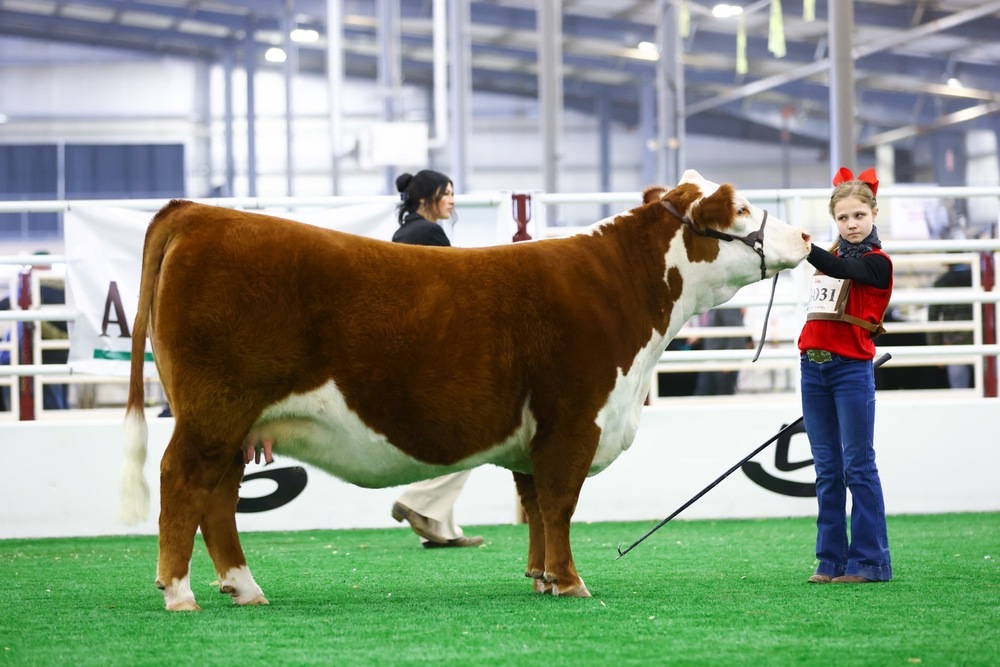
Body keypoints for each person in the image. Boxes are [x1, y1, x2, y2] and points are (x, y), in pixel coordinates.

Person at [798, 167, 893, 584]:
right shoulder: (833, 260)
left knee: (858, 465)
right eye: (843, 217)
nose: (851, 224)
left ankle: (870, 562)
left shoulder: (877, 264)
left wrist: (803, 247)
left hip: (851, 369)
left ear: (874, 214)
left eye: (859, 215)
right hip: (812, 367)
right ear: (834, 220)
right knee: (826, 468)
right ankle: (830, 560)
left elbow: (842, 271)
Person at [388, 169, 484, 549]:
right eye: (447, 193)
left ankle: (441, 527)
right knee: (475, 434)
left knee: (449, 437)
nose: (452, 200)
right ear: (426, 198)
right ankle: (417, 502)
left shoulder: (403, 234)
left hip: (412, 350)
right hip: (436, 352)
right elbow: (458, 292)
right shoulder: (429, 234)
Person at [692, 307, 750, 396]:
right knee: (705, 395)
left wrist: (730, 362)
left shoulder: (727, 306)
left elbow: (737, 334)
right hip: (712, 360)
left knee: (721, 396)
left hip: (723, 363)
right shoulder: (716, 306)